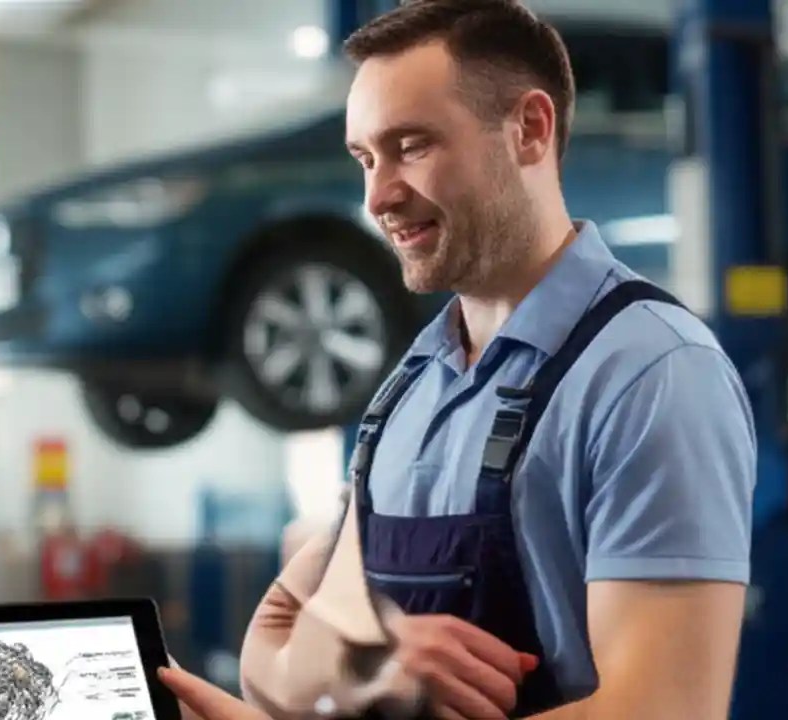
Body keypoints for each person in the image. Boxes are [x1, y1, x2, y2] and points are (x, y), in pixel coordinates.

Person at [165, 1, 755, 719]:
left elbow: (664, 712)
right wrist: (374, 670)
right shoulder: (414, 387)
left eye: (411, 146)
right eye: (365, 158)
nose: (378, 195)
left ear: (530, 130)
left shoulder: (652, 375)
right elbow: (272, 650)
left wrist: (345, 670)